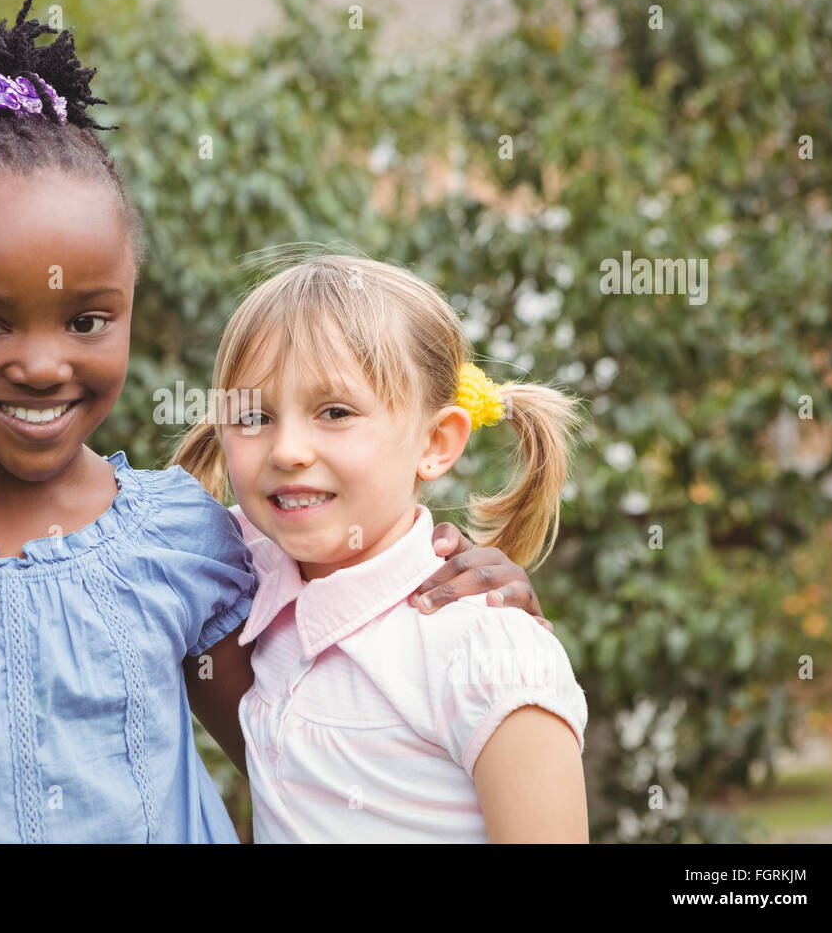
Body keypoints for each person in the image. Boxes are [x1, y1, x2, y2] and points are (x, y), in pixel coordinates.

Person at [0, 0, 548, 843]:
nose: (44, 365)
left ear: (131, 305)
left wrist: (479, 587)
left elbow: (311, 764)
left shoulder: (185, 540)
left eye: (87, 320)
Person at [170, 255, 590, 841]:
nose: (287, 450)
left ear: (437, 443)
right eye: (253, 416)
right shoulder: (234, 570)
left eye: (335, 412)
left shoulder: (486, 650)